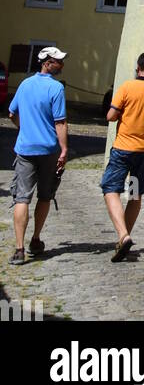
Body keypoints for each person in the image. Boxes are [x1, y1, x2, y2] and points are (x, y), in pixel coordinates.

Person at [100, 52, 144, 262]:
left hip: (123, 150)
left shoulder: (127, 87)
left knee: (110, 188)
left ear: (138, 67)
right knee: (134, 194)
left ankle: (123, 235)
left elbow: (110, 116)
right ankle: (124, 238)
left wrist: (126, 114)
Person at [8, 46, 69, 264]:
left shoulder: (25, 84)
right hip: (48, 150)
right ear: (46, 62)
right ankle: (35, 239)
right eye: (58, 61)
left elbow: (12, 113)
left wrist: (23, 130)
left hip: (25, 148)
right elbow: (59, 122)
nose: (61, 65)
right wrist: (64, 149)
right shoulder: (56, 89)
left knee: (21, 197)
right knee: (44, 195)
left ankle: (19, 249)